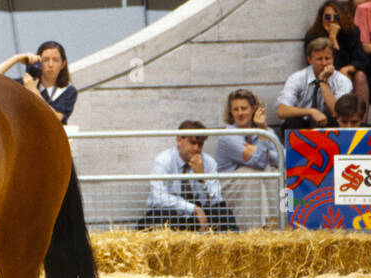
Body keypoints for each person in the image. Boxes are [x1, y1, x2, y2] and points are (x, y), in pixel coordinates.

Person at [139, 121, 236, 232]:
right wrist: (193, 209)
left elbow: (216, 200)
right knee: (157, 222)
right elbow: (159, 198)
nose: (196, 149)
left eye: (200, 144)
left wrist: (202, 179)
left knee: (224, 214)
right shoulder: (163, 161)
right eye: (192, 142)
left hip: (198, 215)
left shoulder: (209, 163)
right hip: (170, 213)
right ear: (179, 140)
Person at [215, 90, 275, 230]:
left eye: (244, 108)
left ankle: (278, 224)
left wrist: (264, 151)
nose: (240, 113)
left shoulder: (264, 130)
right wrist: (264, 144)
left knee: (274, 172)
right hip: (229, 188)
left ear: (253, 109)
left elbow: (283, 157)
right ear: (231, 112)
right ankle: (253, 230)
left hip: (257, 185)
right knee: (253, 174)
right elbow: (259, 163)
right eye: (235, 109)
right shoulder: (228, 136)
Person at [276, 37, 354, 136]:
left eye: (327, 58)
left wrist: (323, 81)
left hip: (329, 124)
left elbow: (337, 112)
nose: (324, 63)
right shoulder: (297, 78)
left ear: (333, 58)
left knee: (340, 122)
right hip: (304, 123)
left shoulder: (343, 81)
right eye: (319, 59)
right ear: (309, 60)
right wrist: (311, 112)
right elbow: (281, 111)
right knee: (293, 122)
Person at [304, 0, 370, 108]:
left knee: (360, 76)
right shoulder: (313, 36)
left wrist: (348, 68)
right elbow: (331, 64)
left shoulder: (351, 32)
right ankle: (344, 113)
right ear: (321, 18)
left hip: (349, 76)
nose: (332, 21)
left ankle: (361, 120)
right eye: (327, 17)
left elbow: (363, 60)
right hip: (324, 75)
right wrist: (332, 38)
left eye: (336, 18)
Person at [0, 41, 77, 124]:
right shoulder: (24, 83)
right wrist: (16, 58)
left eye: (55, 60)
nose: (50, 65)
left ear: (63, 64)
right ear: (39, 62)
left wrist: (33, 90)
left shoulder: (68, 91)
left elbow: (55, 119)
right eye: (46, 60)